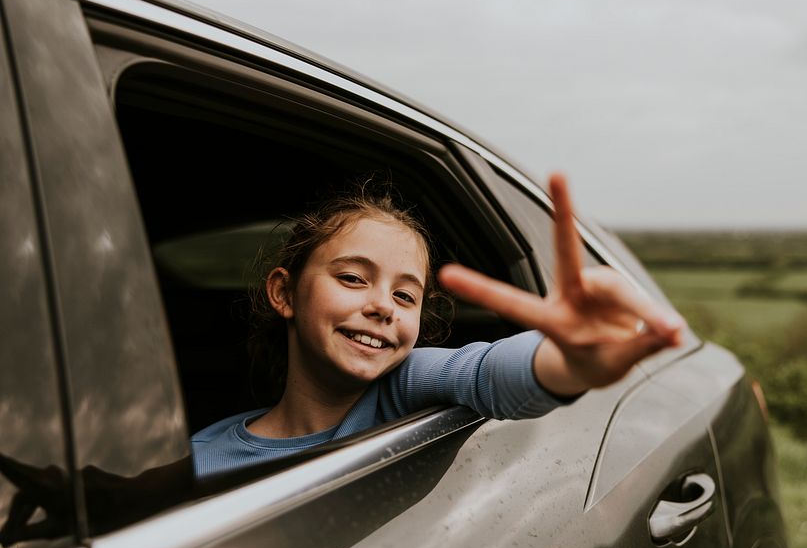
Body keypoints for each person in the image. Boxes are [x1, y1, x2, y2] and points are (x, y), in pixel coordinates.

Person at [191, 174, 684, 478]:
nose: (383, 306)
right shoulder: (201, 453)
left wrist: (568, 361)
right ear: (284, 292)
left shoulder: (401, 387)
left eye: (405, 296)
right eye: (353, 278)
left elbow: (482, 372)